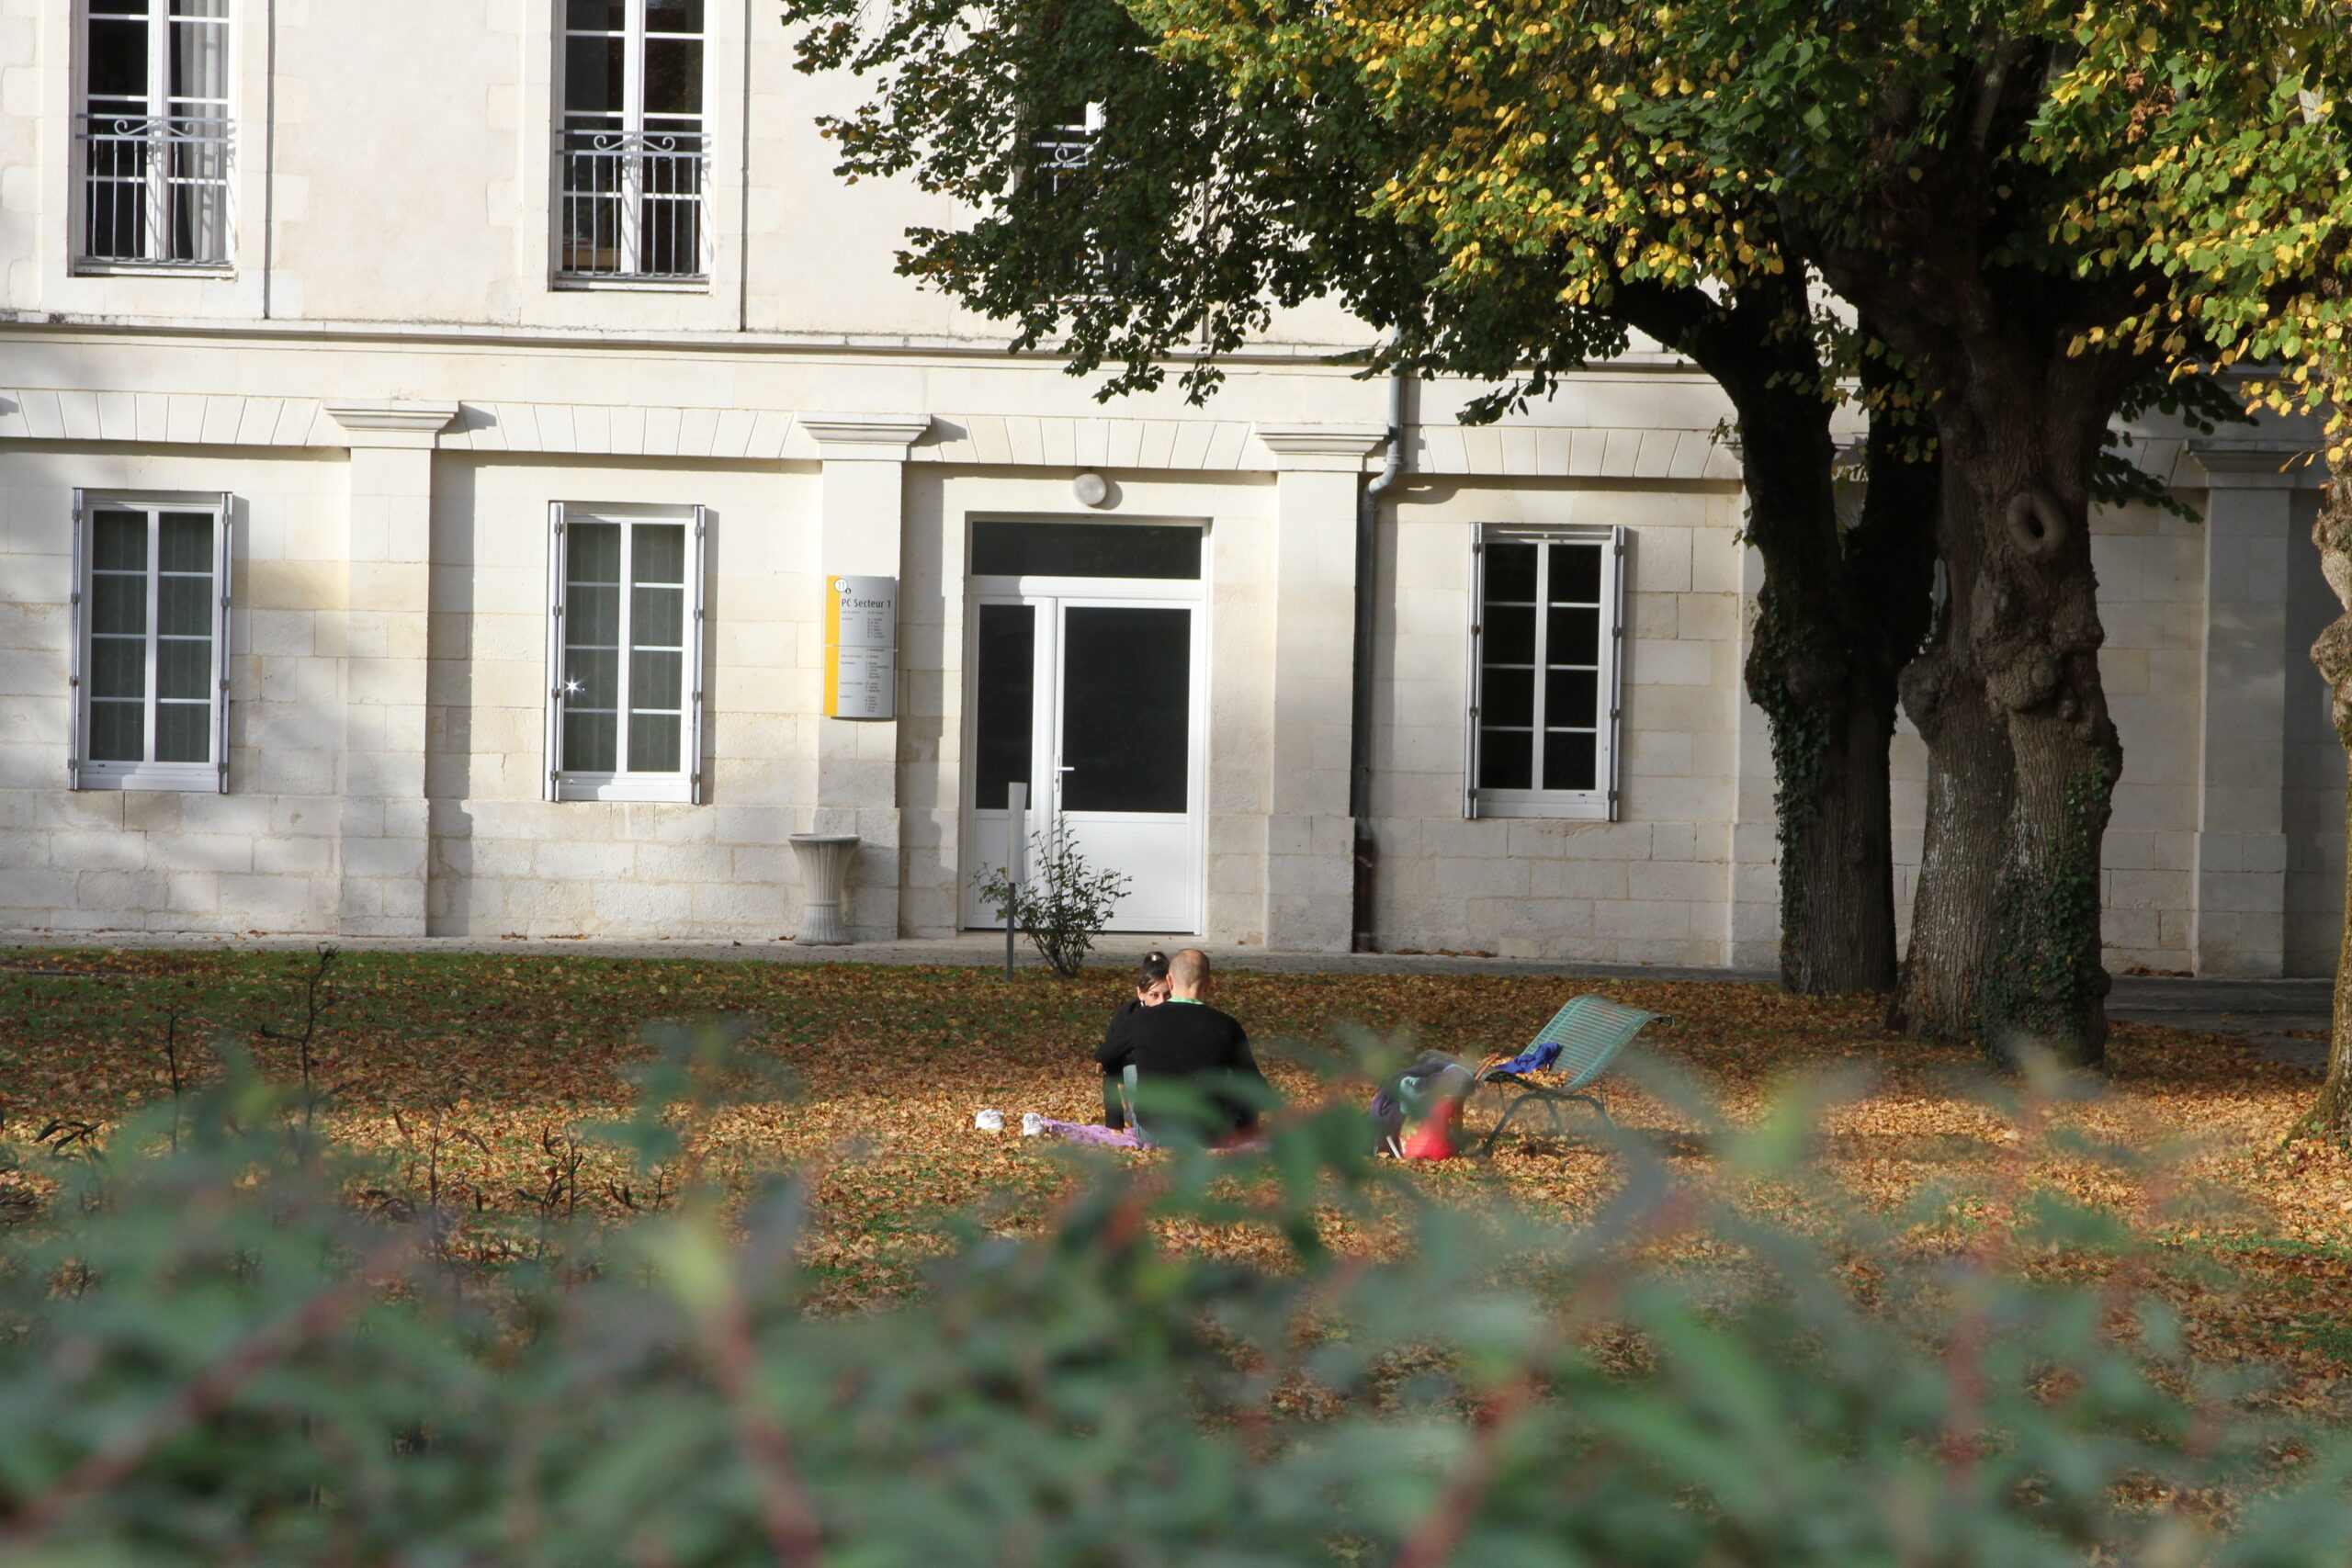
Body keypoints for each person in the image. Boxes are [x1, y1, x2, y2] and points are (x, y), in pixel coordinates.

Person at [1094, 949, 1268, 1144]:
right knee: (1235, 1072)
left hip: (1154, 1131)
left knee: (1129, 1063)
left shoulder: (1140, 1019)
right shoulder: (1227, 1025)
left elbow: (1104, 1055)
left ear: (1169, 980)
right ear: (1209, 985)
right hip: (1209, 1134)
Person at [1097, 951, 1170, 1132]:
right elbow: (1109, 1063)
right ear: (1141, 993)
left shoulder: (1180, 1014)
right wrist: (1114, 1126)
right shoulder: (1127, 1017)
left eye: (1167, 995)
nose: (1162, 1002)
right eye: (1154, 995)